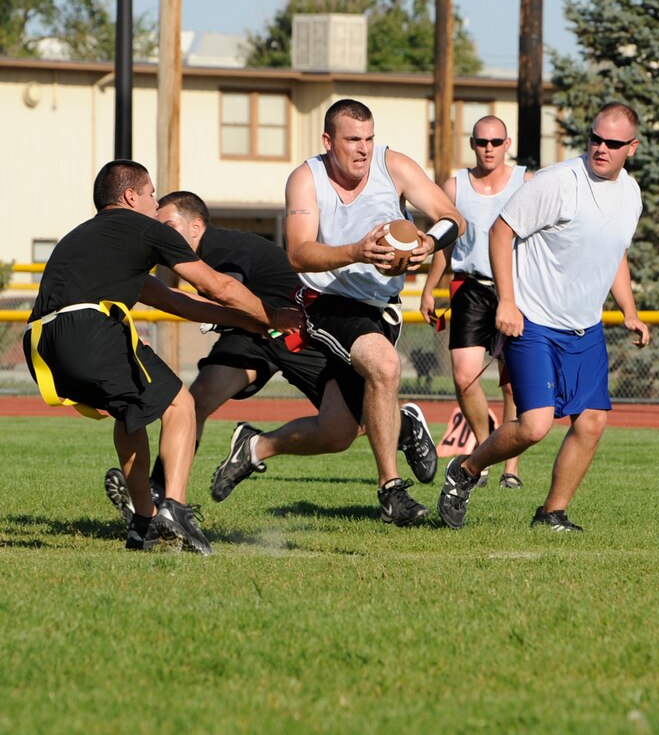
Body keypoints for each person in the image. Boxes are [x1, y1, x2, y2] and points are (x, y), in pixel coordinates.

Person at [102, 190, 439, 516]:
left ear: (196, 226)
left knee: (341, 432)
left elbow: (224, 289)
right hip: (256, 330)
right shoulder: (194, 255)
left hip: (298, 330)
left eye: (168, 225)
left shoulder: (218, 245)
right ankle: (159, 491)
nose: (162, 234)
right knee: (197, 400)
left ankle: (404, 425)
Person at [208, 99, 464, 528]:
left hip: (381, 309)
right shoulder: (306, 179)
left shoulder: (393, 165)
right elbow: (298, 252)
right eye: (352, 140)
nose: (363, 150)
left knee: (338, 433)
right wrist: (356, 251)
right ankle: (391, 491)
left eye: (368, 139)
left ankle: (254, 447)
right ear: (328, 141)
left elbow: (452, 216)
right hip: (327, 305)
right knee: (384, 367)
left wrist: (429, 243)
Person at [23, 160, 301, 554]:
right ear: (130, 196)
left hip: (42, 342)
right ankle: (176, 507)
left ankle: (143, 521)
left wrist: (249, 323)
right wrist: (271, 315)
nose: (156, 205)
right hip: (89, 329)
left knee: (130, 415)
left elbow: (174, 301)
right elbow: (216, 285)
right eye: (152, 194)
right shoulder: (145, 228)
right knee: (182, 403)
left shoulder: (87, 238)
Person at [438, 102, 651, 531]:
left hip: (585, 327)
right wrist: (508, 302)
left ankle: (551, 512)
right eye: (595, 138)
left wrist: (629, 311)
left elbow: (616, 253)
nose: (601, 148)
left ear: (632, 147)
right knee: (534, 425)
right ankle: (465, 470)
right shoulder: (559, 182)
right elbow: (501, 232)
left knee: (591, 422)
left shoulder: (630, 193)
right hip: (534, 321)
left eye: (612, 143)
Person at [420, 115, 528, 489]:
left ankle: (510, 467)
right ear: (472, 144)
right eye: (482, 142)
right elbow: (444, 242)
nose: (489, 148)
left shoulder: (526, 181)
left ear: (507, 144)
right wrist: (430, 287)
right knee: (464, 378)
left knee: (512, 385)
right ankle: (483, 451)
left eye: (496, 142)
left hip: (514, 289)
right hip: (469, 286)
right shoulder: (455, 186)